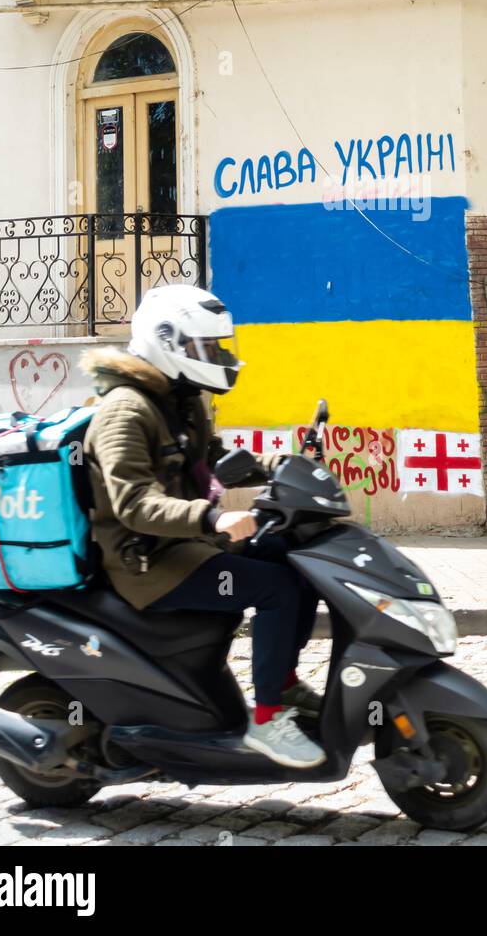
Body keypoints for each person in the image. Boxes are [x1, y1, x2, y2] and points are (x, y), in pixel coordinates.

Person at [82, 284, 324, 769]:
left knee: (293, 557)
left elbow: (213, 462)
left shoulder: (178, 400)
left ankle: (285, 680)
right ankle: (268, 719)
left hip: (185, 546)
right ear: (168, 342)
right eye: (205, 348)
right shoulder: (124, 413)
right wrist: (211, 517)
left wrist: (281, 465)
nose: (215, 356)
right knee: (275, 587)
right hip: (149, 563)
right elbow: (134, 504)